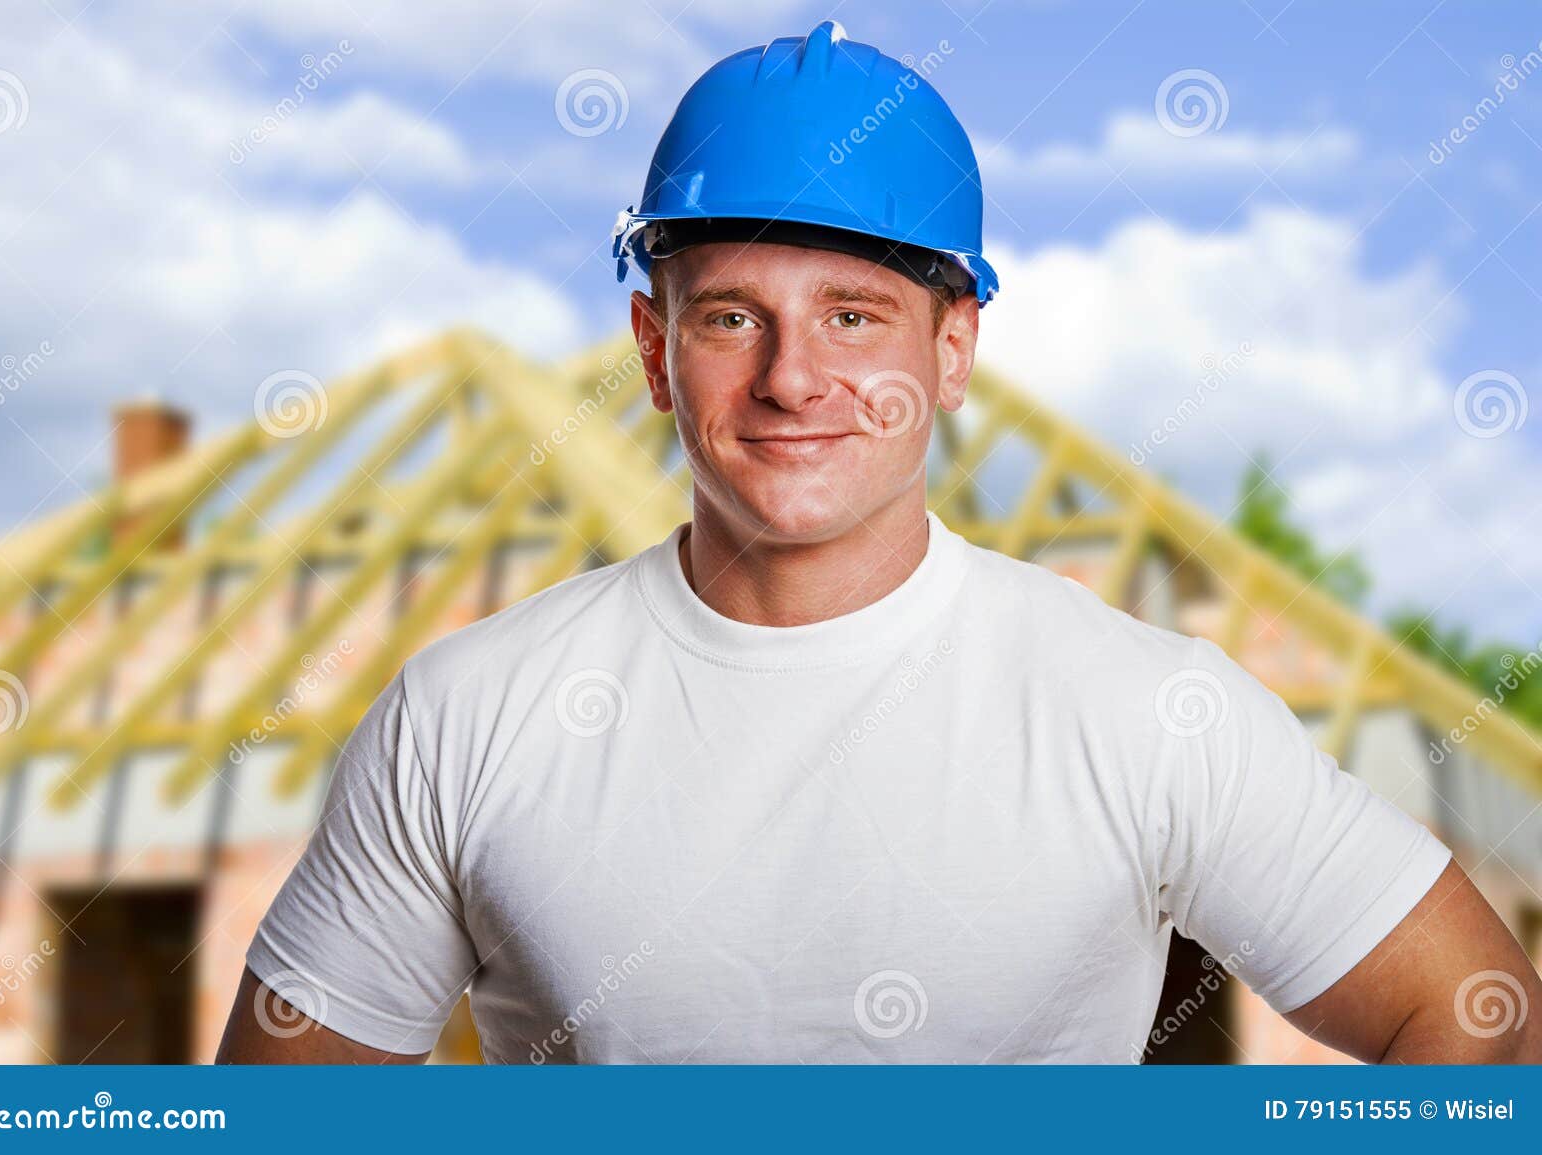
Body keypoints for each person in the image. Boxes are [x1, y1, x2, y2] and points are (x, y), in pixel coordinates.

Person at [218, 20, 1542, 1064]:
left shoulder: (1144, 716)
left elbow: (1483, 1019)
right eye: (732, 316)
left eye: (854, 316)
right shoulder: (465, 718)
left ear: (953, 348)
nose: (794, 379)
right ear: (655, 352)